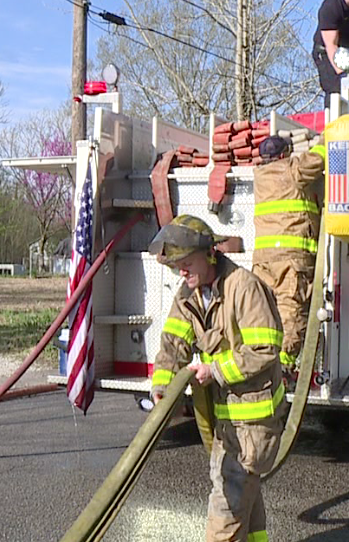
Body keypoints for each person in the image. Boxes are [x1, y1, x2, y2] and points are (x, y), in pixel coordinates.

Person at [148, 214, 285, 542]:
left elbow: (266, 348)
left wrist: (217, 370)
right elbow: (173, 345)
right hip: (225, 420)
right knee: (243, 495)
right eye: (175, 265)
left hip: (254, 420)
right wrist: (162, 386)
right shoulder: (188, 295)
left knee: (227, 502)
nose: (181, 271)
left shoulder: (244, 287)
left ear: (209, 254)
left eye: (186, 262)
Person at [251, 135, 326, 376]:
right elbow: (320, 158)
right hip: (291, 259)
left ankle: (260, 361)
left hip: (263, 260)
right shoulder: (293, 171)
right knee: (291, 308)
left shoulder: (260, 176)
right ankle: (283, 367)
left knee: (264, 312)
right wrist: (328, 135)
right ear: (285, 155)